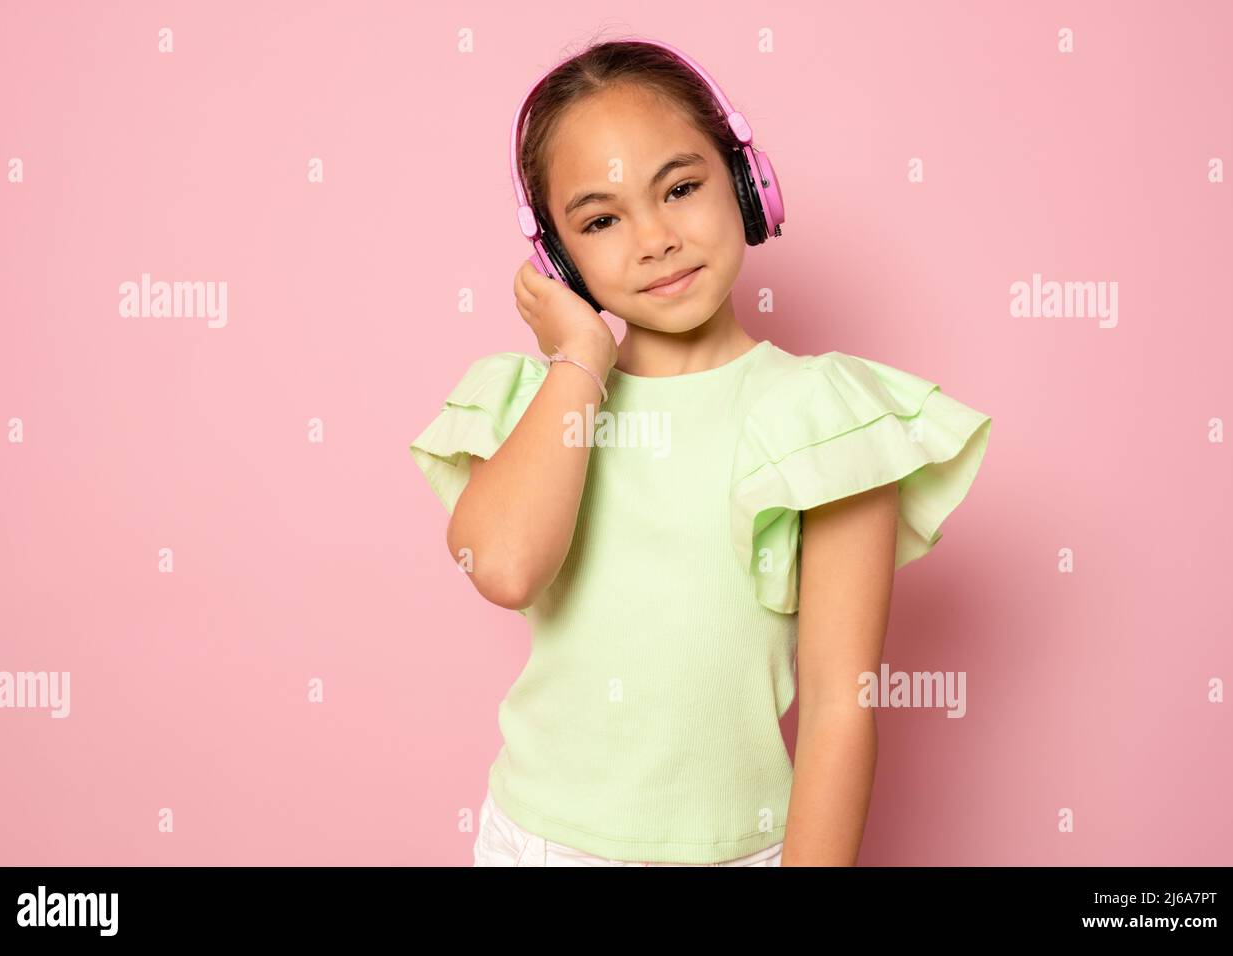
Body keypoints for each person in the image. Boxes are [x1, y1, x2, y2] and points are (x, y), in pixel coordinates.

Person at [410, 36, 993, 866]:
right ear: (555, 257)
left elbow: (839, 707)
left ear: (748, 187)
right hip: (532, 844)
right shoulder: (532, 404)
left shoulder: (825, 419)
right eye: (601, 219)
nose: (654, 239)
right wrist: (579, 356)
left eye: (680, 188)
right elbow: (504, 568)